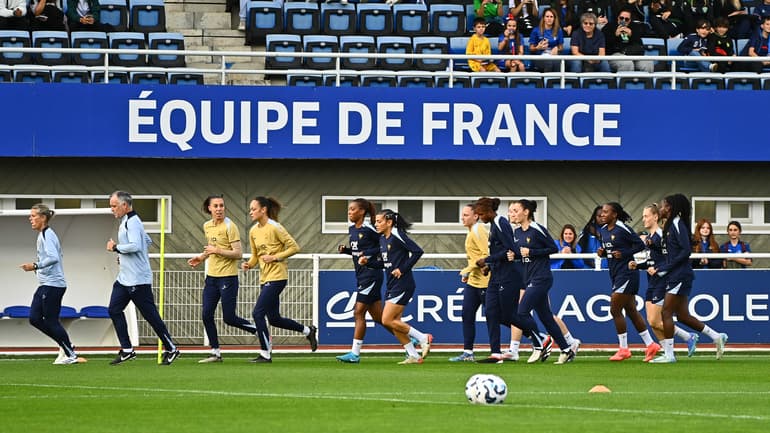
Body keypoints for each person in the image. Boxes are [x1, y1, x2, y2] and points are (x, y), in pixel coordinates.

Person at [648, 193, 728, 363]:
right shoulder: (670, 225)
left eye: (663, 206)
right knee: (683, 316)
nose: (661, 209)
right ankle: (716, 336)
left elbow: (685, 251)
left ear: (670, 208)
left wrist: (665, 268)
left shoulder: (677, 224)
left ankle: (669, 355)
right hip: (676, 275)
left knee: (666, 312)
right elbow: (672, 252)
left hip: (680, 275)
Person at [106, 191, 180, 366]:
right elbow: (147, 241)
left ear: (125, 205)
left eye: (114, 206)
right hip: (124, 279)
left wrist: (116, 248)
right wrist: (125, 257)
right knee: (114, 310)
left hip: (138, 280)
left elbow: (136, 245)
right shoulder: (127, 221)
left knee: (150, 316)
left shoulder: (133, 222)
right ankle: (127, 350)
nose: (112, 209)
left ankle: (172, 348)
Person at [242, 196, 317, 363]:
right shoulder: (253, 231)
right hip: (264, 278)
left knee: (257, 313)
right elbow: (255, 256)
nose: (250, 212)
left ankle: (265, 353)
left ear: (263, 210)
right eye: (250, 209)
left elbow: (295, 247)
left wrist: (275, 257)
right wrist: (249, 264)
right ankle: (308, 331)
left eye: (253, 209)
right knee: (274, 319)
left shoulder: (275, 227)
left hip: (277, 277)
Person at [187, 195, 257, 363]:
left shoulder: (230, 226)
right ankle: (215, 352)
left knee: (229, 318)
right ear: (209, 208)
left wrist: (217, 250)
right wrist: (201, 257)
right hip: (211, 278)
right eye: (216, 206)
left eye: (221, 206)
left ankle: (259, 330)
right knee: (206, 315)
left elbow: (238, 253)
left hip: (228, 278)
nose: (219, 209)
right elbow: (211, 248)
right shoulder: (207, 226)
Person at [359, 209, 432, 365]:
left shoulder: (397, 234)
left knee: (386, 320)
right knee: (395, 322)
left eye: (379, 221)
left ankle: (422, 337)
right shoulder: (382, 239)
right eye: (375, 222)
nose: (376, 224)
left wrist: (402, 269)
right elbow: (385, 264)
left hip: (403, 284)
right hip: (392, 284)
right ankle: (413, 355)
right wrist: (368, 262)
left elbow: (418, 251)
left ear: (389, 222)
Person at [508, 199, 575, 364]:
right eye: (511, 211)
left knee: (521, 313)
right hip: (528, 278)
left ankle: (540, 342)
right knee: (546, 318)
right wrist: (513, 255)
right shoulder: (517, 232)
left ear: (526, 212)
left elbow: (553, 248)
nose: (512, 214)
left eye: (515, 210)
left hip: (541, 278)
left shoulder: (537, 229)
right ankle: (566, 350)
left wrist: (531, 252)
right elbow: (521, 254)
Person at [629, 204, 699, 358]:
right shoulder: (650, 237)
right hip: (651, 281)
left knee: (656, 320)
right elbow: (652, 260)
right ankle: (668, 351)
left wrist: (659, 269)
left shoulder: (661, 236)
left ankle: (687, 338)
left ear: (655, 217)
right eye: (643, 216)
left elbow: (668, 259)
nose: (643, 219)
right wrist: (638, 265)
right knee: (652, 322)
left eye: (646, 216)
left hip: (662, 281)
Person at [595, 202, 661, 362]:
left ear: (614, 214)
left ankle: (624, 349)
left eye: (606, 212)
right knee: (631, 310)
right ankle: (651, 344)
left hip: (627, 273)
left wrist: (624, 253)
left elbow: (639, 245)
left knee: (615, 309)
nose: (602, 214)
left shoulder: (622, 228)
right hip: (615, 273)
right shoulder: (603, 230)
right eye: (602, 212)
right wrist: (603, 253)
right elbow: (610, 250)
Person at [19, 204, 82, 365]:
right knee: (34, 318)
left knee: (51, 320)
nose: (30, 219)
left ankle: (70, 354)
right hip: (46, 284)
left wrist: (35, 266)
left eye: (33, 216)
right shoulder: (43, 235)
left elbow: (54, 258)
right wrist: (38, 270)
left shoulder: (48, 235)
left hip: (53, 285)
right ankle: (66, 345)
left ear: (43, 218)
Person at [474, 197, 528, 363]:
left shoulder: (501, 223)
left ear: (489, 211)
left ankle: (537, 335)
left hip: (507, 275)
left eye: (481, 214)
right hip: (495, 275)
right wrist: (489, 266)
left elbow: (510, 250)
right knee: (490, 312)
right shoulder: (492, 225)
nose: (480, 217)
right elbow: (500, 251)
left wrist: (487, 259)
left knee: (508, 314)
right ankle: (496, 353)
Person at [336, 198, 386, 364]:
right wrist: (347, 251)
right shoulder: (352, 229)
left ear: (362, 211)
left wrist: (368, 255)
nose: (349, 212)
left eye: (353, 209)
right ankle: (412, 338)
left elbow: (383, 244)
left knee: (358, 313)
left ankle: (355, 354)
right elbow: (359, 252)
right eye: (349, 209)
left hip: (371, 275)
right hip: (361, 275)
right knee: (381, 318)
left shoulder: (369, 228)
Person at [449, 204, 490, 362]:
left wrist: (467, 270)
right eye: (463, 214)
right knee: (467, 314)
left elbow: (485, 254)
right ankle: (468, 352)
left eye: (466, 215)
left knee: (499, 317)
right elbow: (475, 257)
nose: (462, 218)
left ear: (476, 216)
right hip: (473, 281)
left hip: (485, 282)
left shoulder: (479, 230)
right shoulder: (472, 231)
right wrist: (470, 272)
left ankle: (535, 336)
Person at [602, 8, 654, 72]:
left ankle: (643, 79)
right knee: (627, 63)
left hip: (632, 53)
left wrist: (631, 35)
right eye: (621, 18)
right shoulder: (609, 27)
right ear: (618, 18)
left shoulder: (635, 27)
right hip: (615, 54)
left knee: (648, 63)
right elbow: (605, 45)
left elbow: (639, 44)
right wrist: (615, 35)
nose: (623, 20)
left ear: (630, 20)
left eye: (626, 19)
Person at [528, 7, 564, 72]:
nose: (549, 19)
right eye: (547, 16)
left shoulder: (558, 30)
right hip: (539, 57)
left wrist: (557, 48)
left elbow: (561, 47)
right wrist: (537, 48)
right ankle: (548, 78)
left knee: (558, 61)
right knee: (549, 62)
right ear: (544, 18)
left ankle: (557, 78)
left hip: (554, 55)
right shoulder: (536, 30)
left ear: (554, 19)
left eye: (551, 17)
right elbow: (531, 48)